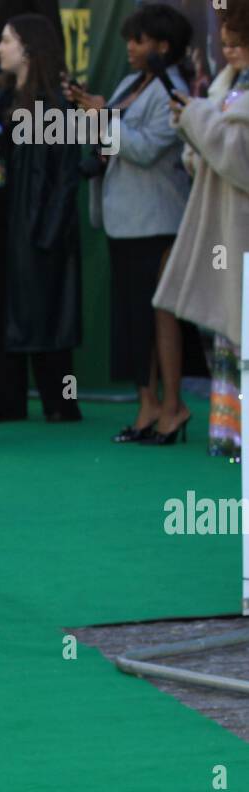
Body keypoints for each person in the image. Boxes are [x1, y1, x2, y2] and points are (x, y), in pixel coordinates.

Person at [65, 3, 194, 445]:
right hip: (123, 218)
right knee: (134, 319)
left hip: (157, 219)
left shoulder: (172, 89)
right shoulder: (128, 83)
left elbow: (146, 149)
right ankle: (149, 406)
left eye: (138, 40)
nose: (130, 48)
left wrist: (104, 117)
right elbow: (108, 139)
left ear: (163, 45)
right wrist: (92, 115)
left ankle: (172, 407)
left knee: (160, 316)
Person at [0, 14, 82, 423]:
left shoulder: (56, 101)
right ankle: (3, 399)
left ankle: (59, 400)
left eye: (6, 40)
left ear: (29, 47)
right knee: (0, 307)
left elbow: (68, 173)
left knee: (45, 306)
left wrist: (49, 231)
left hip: (36, 225)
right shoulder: (0, 97)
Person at [153, 0, 249, 464]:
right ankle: (233, 436)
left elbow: (240, 158)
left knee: (242, 328)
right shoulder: (229, 88)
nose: (228, 50)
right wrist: (194, 131)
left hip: (241, 234)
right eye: (225, 41)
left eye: (237, 42)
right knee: (232, 335)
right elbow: (218, 155)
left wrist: (197, 121)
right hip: (229, 233)